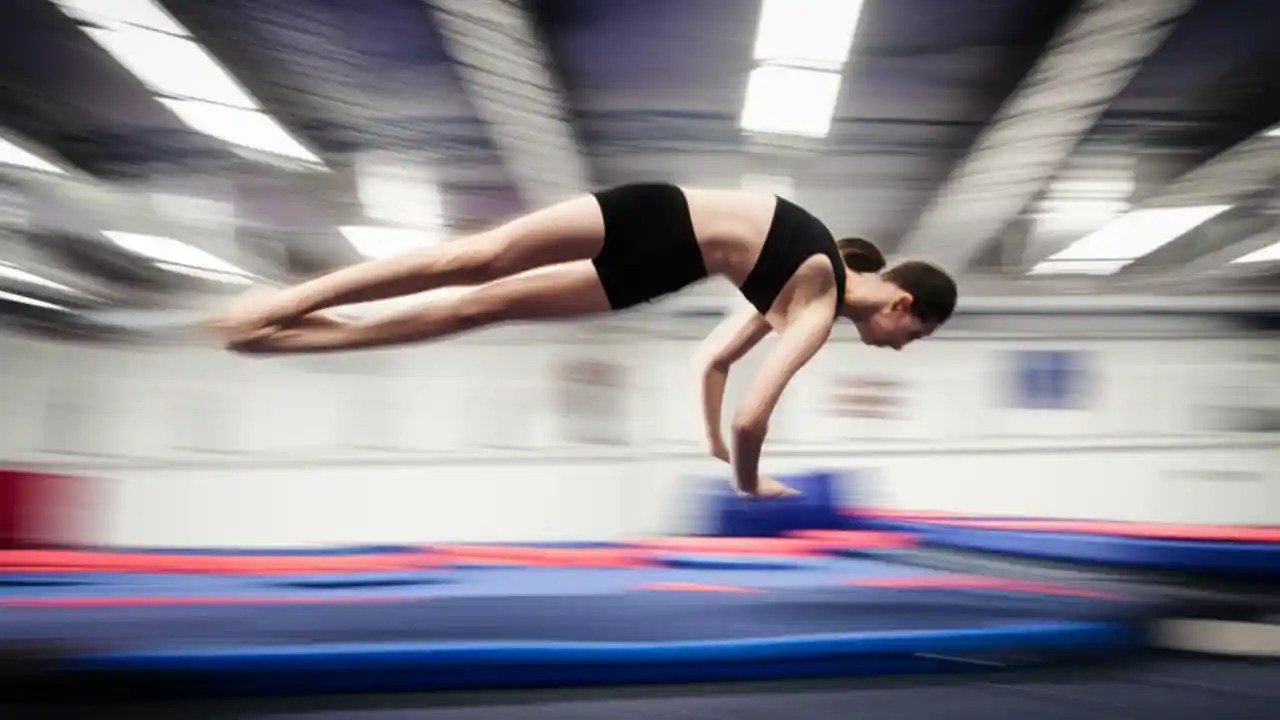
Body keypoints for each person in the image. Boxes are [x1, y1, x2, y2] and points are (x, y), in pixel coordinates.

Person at [213, 183, 957, 499]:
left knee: (483, 303)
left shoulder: (812, 290)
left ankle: (287, 340)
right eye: (914, 335)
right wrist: (746, 480)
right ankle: (286, 306)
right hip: (650, 219)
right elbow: (752, 418)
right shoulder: (818, 305)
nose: (901, 348)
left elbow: (714, 364)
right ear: (902, 302)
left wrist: (709, 442)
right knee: (477, 262)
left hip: (658, 261)